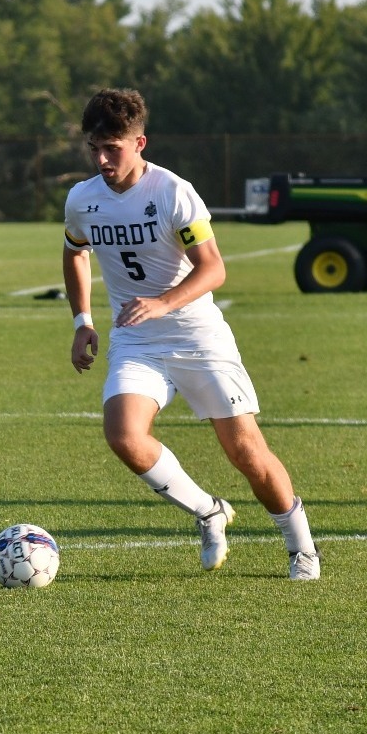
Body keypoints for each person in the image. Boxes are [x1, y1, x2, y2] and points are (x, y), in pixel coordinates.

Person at [61, 88, 320, 580]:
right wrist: (83, 322)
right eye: (94, 148)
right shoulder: (82, 199)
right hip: (137, 341)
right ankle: (208, 510)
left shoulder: (172, 192)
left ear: (139, 143)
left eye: (112, 148)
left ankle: (301, 546)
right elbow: (75, 252)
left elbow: (213, 268)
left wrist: (162, 302)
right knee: (124, 436)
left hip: (198, 338)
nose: (102, 160)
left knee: (246, 452)